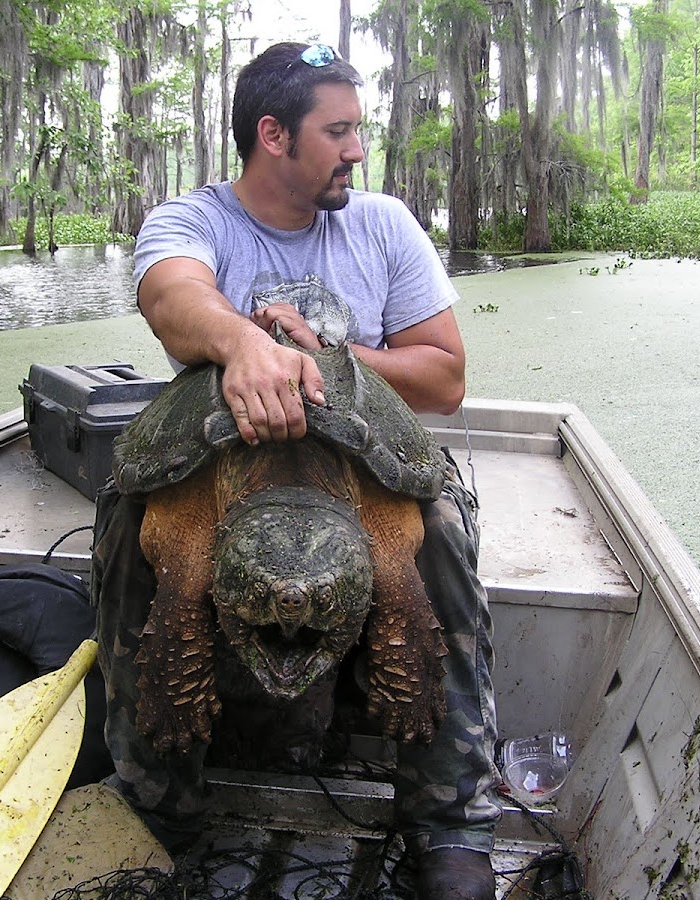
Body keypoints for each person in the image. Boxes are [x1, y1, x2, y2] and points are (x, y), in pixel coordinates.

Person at [92, 42, 499, 900]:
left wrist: (328, 352)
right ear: (272, 135)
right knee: (130, 524)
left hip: (362, 465)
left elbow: (447, 377)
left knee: (442, 540)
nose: (357, 149)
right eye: (338, 131)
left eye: (358, 130)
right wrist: (244, 343)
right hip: (221, 466)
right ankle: (155, 796)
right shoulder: (191, 220)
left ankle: (448, 813)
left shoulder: (382, 223)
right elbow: (171, 301)